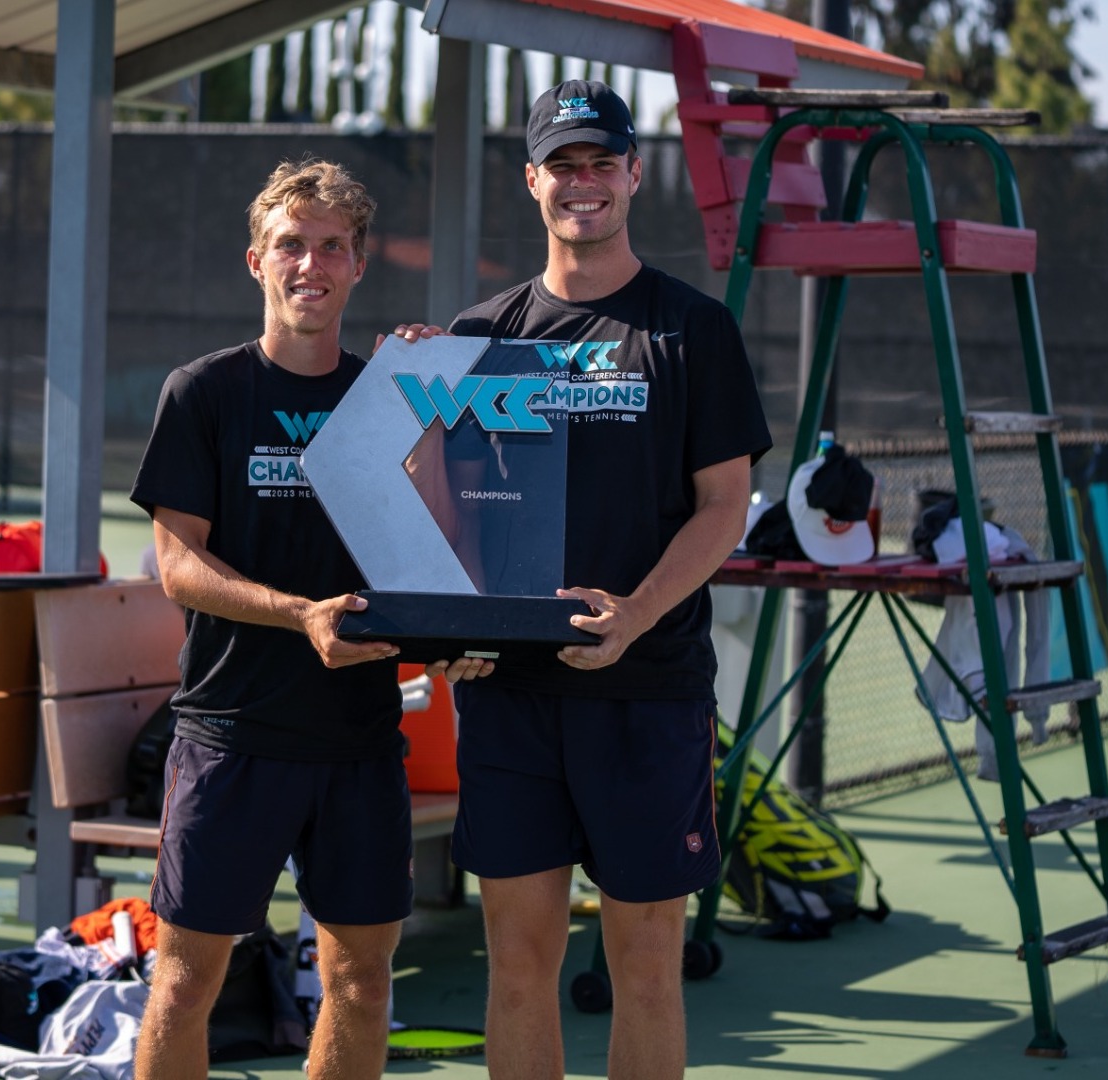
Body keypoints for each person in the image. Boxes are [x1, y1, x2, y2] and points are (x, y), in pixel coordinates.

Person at [395, 80, 774, 1078]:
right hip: (514, 702)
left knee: (645, 966)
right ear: (532, 181)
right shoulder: (478, 337)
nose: (584, 182)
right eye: (563, 164)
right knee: (517, 966)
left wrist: (636, 616)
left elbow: (722, 507)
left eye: (602, 162)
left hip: (647, 695)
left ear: (635, 175)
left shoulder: (693, 331)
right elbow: (436, 511)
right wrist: (452, 626)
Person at [128, 159, 486, 1080]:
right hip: (231, 739)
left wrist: (432, 414)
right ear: (257, 260)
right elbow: (177, 565)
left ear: (359, 265)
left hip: (358, 742)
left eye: (333, 247)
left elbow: (434, 556)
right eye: (292, 245)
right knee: (182, 985)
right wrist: (301, 616)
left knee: (363, 982)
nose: (310, 266)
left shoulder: (385, 397)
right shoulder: (203, 394)